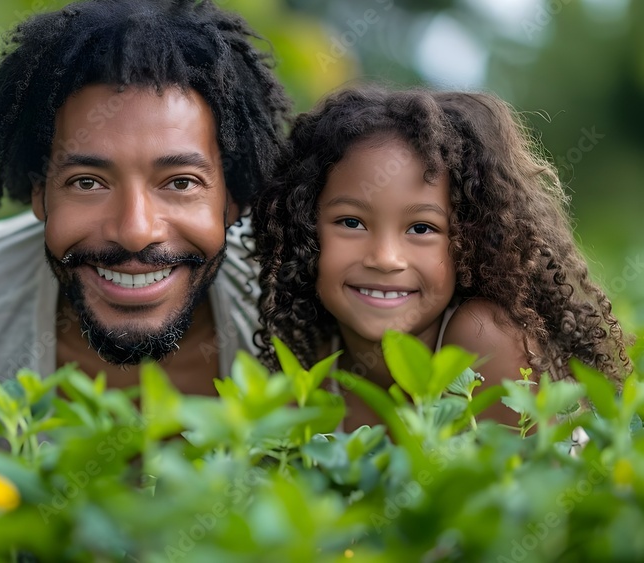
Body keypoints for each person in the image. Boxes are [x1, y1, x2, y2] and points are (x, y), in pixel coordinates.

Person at [0, 0, 290, 441]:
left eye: (180, 183)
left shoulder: (295, 298)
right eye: (88, 183)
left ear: (233, 199)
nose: (135, 231)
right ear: (40, 192)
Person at [251, 86, 632, 427]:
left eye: (421, 228)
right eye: (351, 222)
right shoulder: (311, 368)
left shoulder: (482, 338)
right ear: (305, 229)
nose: (385, 258)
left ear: (470, 241)